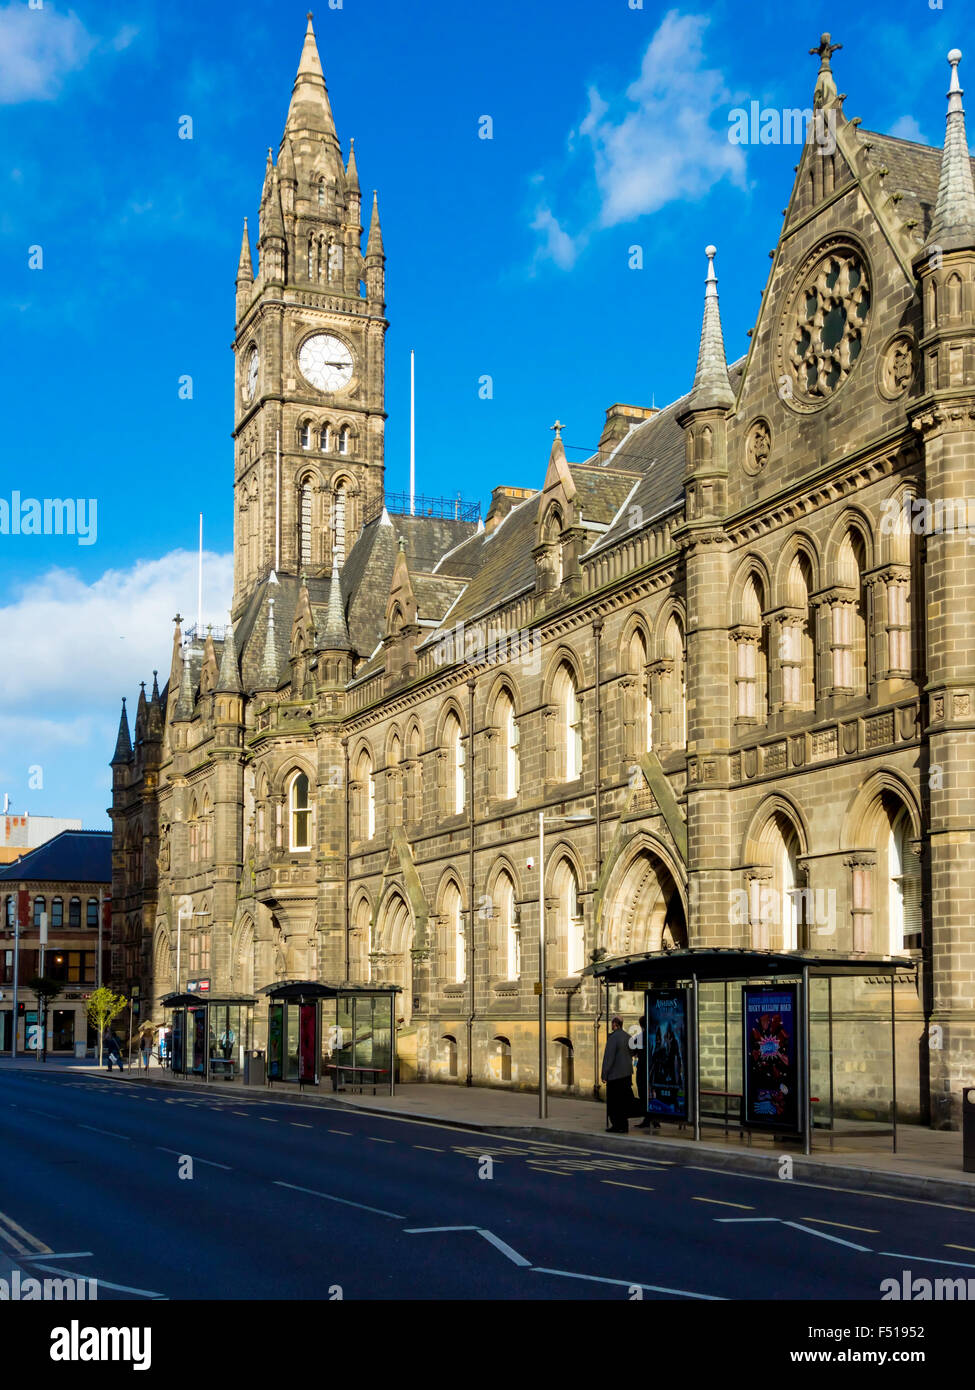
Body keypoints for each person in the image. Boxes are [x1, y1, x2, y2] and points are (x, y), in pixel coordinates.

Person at [601, 1016, 635, 1134]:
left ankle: (616, 1125)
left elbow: (609, 1058)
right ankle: (624, 1125)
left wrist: (604, 1074)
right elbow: (633, 1052)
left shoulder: (613, 1038)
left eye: (612, 1023)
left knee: (614, 1103)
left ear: (615, 1024)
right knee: (623, 1102)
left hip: (615, 1076)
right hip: (626, 1074)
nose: (611, 1025)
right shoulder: (628, 1037)